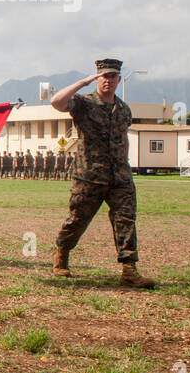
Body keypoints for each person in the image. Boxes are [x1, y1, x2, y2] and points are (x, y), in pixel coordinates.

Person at [51, 59, 155, 288]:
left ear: (118, 79)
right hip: (89, 175)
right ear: (97, 78)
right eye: (103, 76)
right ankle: (62, 254)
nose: (108, 80)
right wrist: (82, 82)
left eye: (112, 76)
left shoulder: (124, 109)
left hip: (120, 177)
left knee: (126, 219)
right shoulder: (83, 104)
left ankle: (129, 270)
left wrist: (125, 164)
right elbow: (56, 102)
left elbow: (124, 138)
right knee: (77, 220)